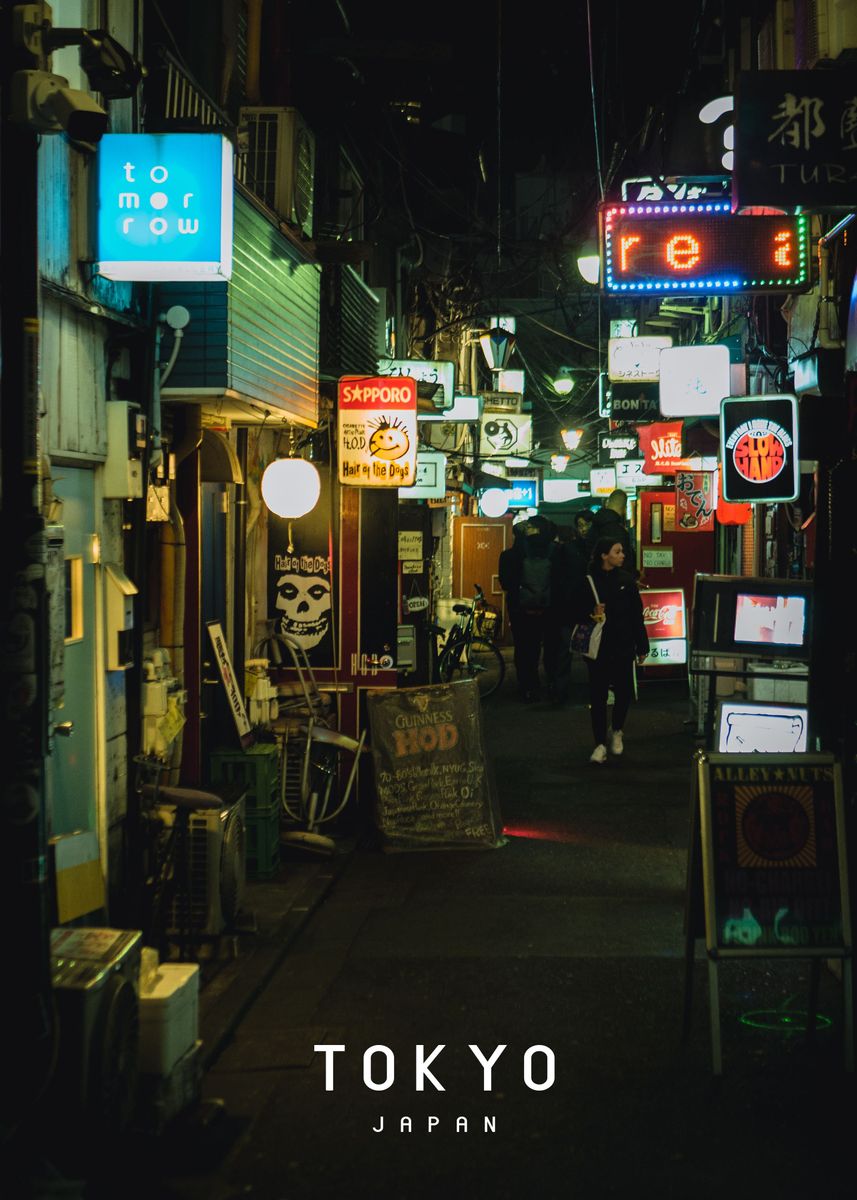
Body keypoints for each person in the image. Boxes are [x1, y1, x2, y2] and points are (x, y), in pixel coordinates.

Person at [571, 536, 649, 764]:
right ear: (605, 555)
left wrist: (642, 645)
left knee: (624, 691)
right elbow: (571, 611)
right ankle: (599, 744)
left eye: (622, 551)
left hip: (624, 644)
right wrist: (590, 611)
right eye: (618, 551)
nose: (622, 555)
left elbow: (637, 616)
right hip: (599, 647)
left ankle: (617, 730)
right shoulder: (587, 581)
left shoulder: (626, 580)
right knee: (598, 695)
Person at [498, 515, 577, 703]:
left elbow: (506, 583)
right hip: (552, 611)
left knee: (526, 650)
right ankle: (553, 686)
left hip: (522, 611)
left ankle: (528, 688)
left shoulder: (512, 554)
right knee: (553, 649)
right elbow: (567, 581)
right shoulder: (559, 552)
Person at [586, 489, 638, 577]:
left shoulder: (594, 525)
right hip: (613, 580)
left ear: (607, 503)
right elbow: (623, 563)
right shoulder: (618, 531)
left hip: (596, 578)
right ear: (624, 508)